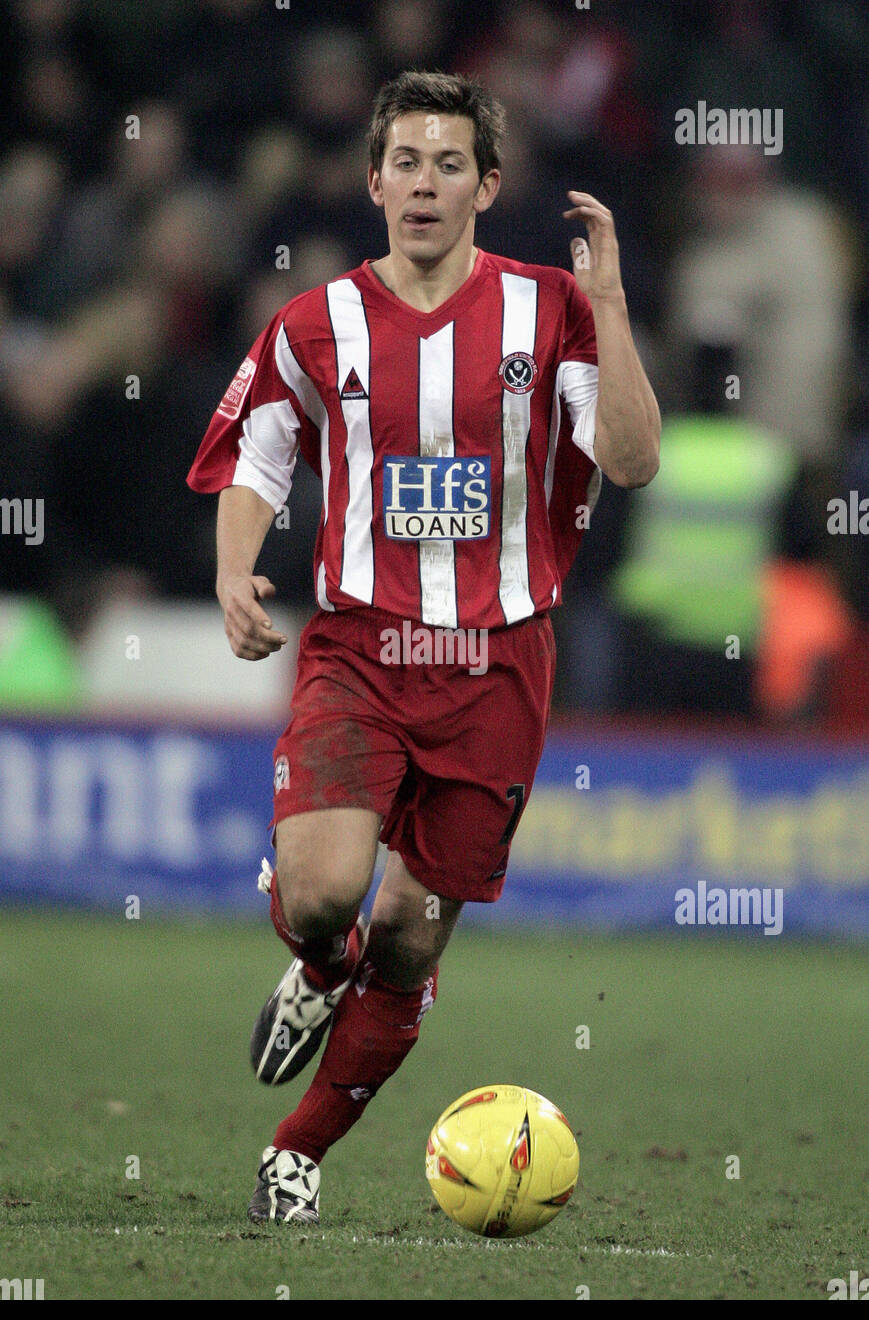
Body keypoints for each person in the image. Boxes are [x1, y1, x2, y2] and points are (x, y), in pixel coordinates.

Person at [187, 70, 659, 1224]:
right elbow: (258, 454)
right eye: (405, 161)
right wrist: (230, 570)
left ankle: (296, 1154)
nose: (424, 184)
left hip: (497, 662)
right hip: (358, 647)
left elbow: (634, 460)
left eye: (450, 164)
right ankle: (310, 965)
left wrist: (614, 308)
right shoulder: (319, 321)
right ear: (372, 179)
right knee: (323, 896)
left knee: (405, 936)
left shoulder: (549, 311)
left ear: (486, 186)